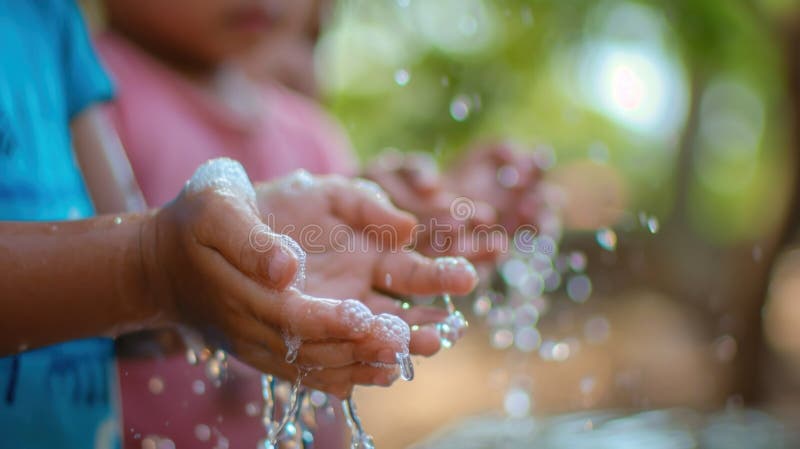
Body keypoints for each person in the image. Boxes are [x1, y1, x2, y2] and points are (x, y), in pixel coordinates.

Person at [0, 2, 477, 448]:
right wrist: (160, 273)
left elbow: (144, 280)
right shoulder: (114, 88)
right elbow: (130, 268)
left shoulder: (50, 20)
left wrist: (409, 227)